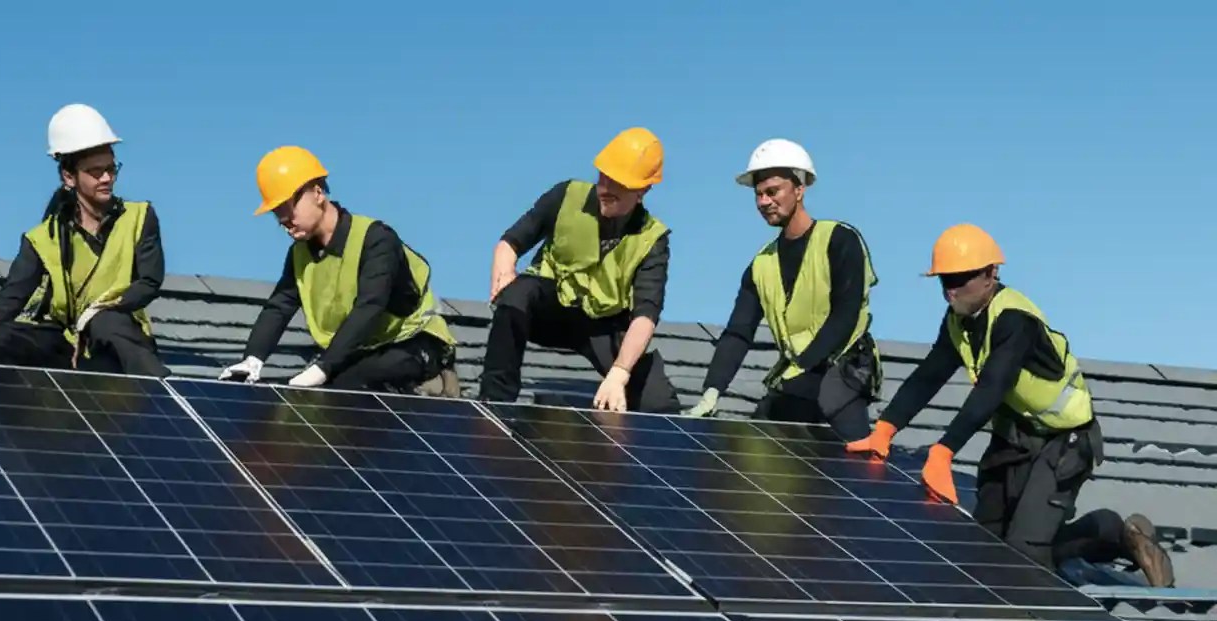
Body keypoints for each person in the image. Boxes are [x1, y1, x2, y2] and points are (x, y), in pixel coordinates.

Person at [845, 224, 1174, 587]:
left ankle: (1115, 536)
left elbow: (993, 386)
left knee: (1023, 557)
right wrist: (886, 429)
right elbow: (929, 374)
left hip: (1063, 441)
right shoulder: (959, 320)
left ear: (990, 275)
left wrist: (944, 451)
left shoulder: (1015, 319)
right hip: (1014, 438)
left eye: (960, 277)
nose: (950, 288)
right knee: (987, 548)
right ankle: (1111, 531)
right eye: (944, 280)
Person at [0, 103, 170, 377]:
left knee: (106, 324)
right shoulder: (42, 238)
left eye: (111, 169)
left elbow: (149, 282)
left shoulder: (140, 217)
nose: (107, 178)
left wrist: (101, 309)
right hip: (66, 345)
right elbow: (13, 294)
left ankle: (167, 396)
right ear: (69, 177)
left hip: (116, 344)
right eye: (96, 172)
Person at [683, 139, 881, 441]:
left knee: (854, 463)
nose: (763, 201)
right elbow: (738, 333)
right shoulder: (761, 266)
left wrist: (803, 365)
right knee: (755, 452)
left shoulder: (840, 240)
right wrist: (712, 391)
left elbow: (846, 313)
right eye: (758, 194)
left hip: (841, 373)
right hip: (796, 379)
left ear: (799, 190)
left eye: (772, 191)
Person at [220, 146, 459, 395]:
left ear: (318, 193)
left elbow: (370, 305)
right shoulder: (299, 255)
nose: (282, 219)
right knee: (323, 398)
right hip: (360, 351)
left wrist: (324, 367)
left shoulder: (375, 239)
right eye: (276, 212)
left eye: (287, 206)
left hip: (415, 344)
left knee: (348, 391)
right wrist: (252, 359)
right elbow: (279, 306)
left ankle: (435, 387)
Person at [478, 127, 681, 413]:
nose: (606, 189)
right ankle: (494, 404)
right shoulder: (566, 196)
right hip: (550, 309)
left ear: (643, 190)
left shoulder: (652, 239)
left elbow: (645, 316)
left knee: (659, 405)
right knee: (516, 296)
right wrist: (504, 276)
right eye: (604, 177)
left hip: (603, 326)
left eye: (619, 183)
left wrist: (619, 373)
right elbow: (509, 244)